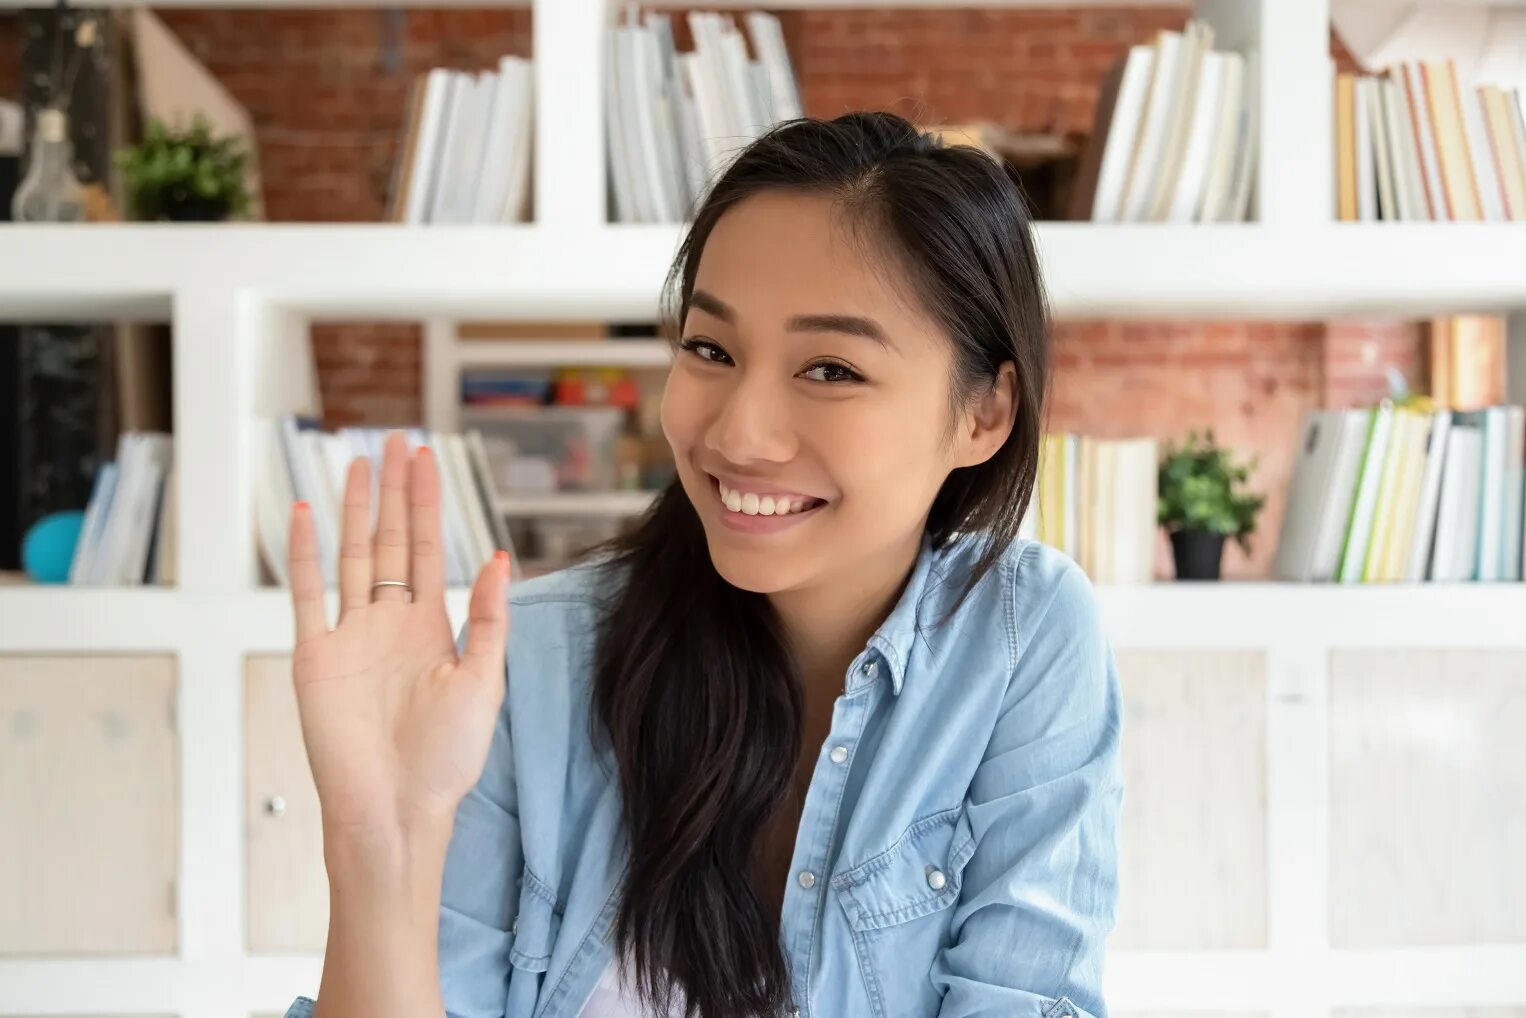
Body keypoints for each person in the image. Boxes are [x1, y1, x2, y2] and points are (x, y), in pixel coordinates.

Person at [280, 110, 1122, 1018]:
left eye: (831, 369)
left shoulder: (1017, 637)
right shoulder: (533, 662)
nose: (736, 433)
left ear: (983, 415)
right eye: (710, 349)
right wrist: (379, 846)